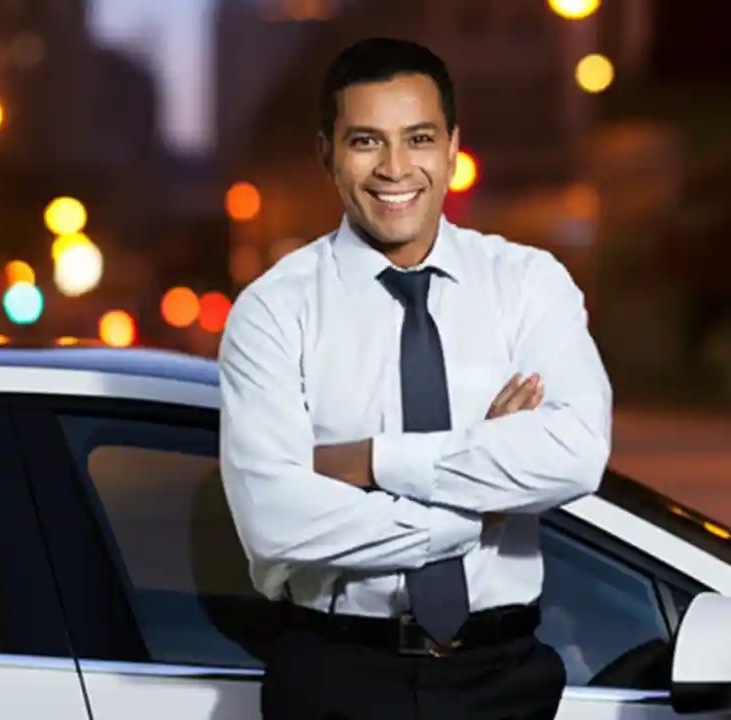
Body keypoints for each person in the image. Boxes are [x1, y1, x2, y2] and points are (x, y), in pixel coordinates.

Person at [218, 37, 613, 719]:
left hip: (502, 679)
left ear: (453, 147)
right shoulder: (273, 311)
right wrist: (478, 493)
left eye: (419, 138)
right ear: (328, 154)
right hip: (338, 674)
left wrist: (370, 460)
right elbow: (274, 521)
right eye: (366, 141)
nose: (395, 168)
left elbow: (577, 455)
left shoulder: (528, 286)